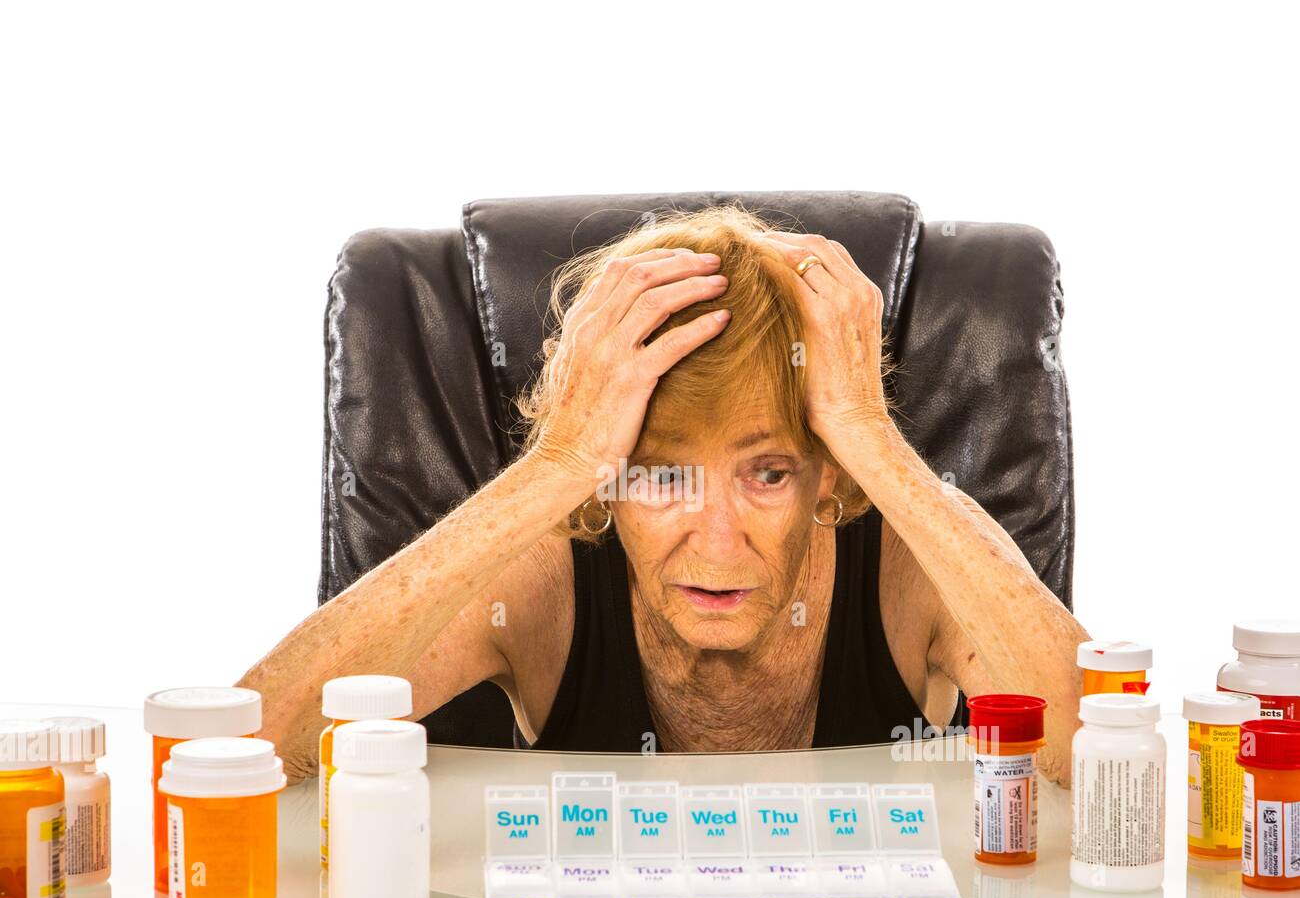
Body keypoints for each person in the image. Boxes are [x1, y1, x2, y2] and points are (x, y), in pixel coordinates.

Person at [240, 206, 1086, 783]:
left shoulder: (912, 568)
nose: (716, 544)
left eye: (768, 473)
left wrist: (868, 433)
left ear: (828, 474)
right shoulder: (543, 581)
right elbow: (255, 748)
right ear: (608, 482)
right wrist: (559, 460)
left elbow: (1096, 757)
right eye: (661, 475)